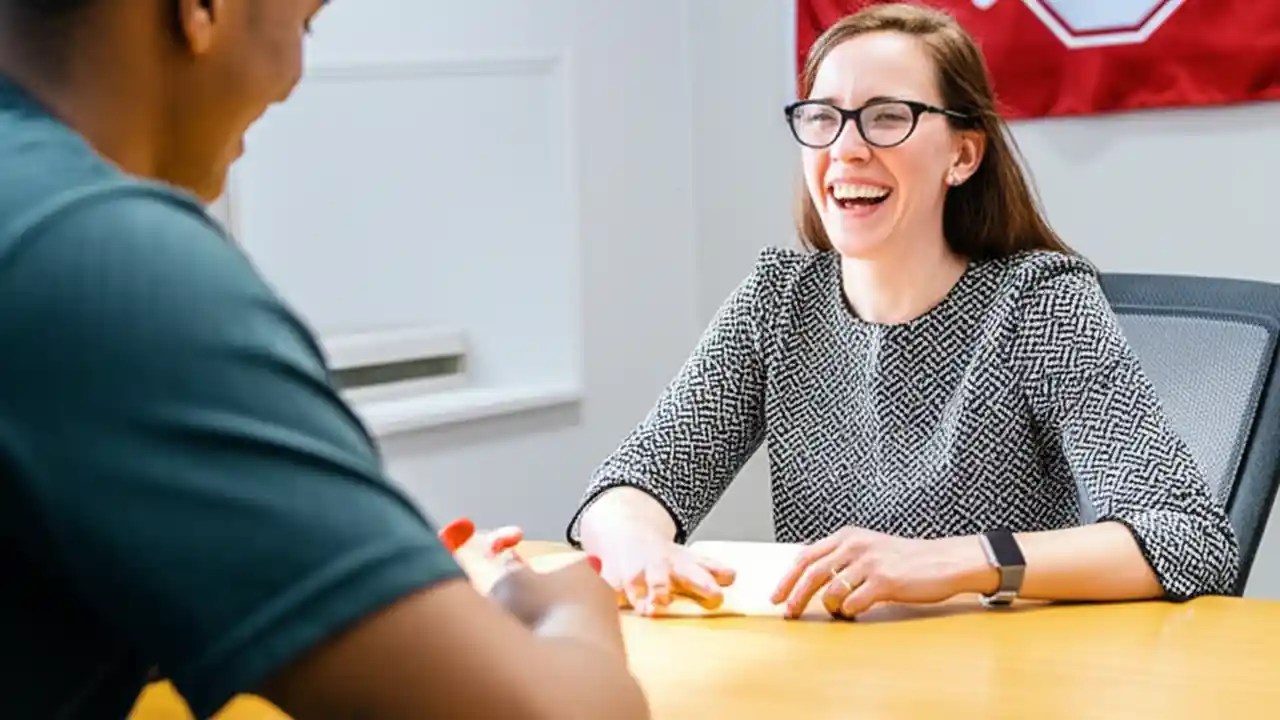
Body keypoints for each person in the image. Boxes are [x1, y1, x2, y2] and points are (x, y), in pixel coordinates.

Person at [0, 1, 648, 718]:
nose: (293, 77)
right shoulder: (105, 264)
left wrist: (386, 589)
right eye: (306, 22)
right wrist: (568, 605)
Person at [568, 2, 1240, 621]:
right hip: (831, 681)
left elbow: (1191, 541)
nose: (847, 147)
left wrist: (952, 563)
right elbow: (631, 484)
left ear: (963, 154)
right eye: (823, 117)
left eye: (888, 116)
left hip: (1004, 681)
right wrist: (635, 542)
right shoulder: (777, 301)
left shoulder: (1040, 303)